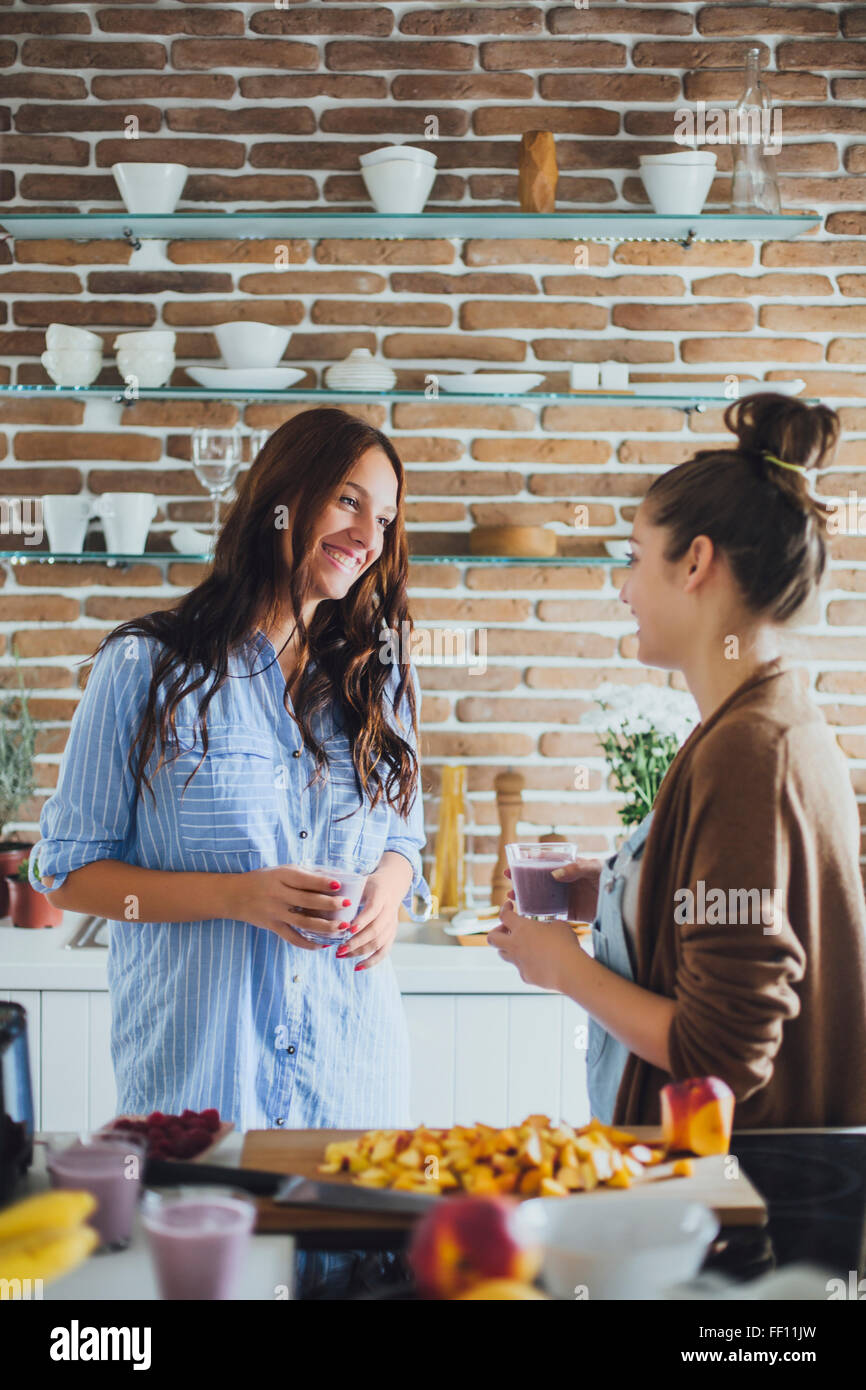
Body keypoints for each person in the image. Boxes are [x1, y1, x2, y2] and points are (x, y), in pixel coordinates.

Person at [29, 407, 432, 1131]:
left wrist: (390, 893)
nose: (368, 537)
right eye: (348, 500)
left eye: (386, 518)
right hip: (201, 1086)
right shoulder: (145, 666)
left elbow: (403, 839)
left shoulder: (382, 676)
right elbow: (67, 872)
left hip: (351, 1074)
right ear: (282, 499)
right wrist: (236, 897)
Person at [489, 392, 866, 1129]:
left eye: (634, 559)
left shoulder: (749, 751)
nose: (626, 590)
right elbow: (732, 913)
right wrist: (610, 896)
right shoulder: (756, 720)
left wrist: (562, 967)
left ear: (696, 561)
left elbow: (720, 1055)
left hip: (749, 1198)